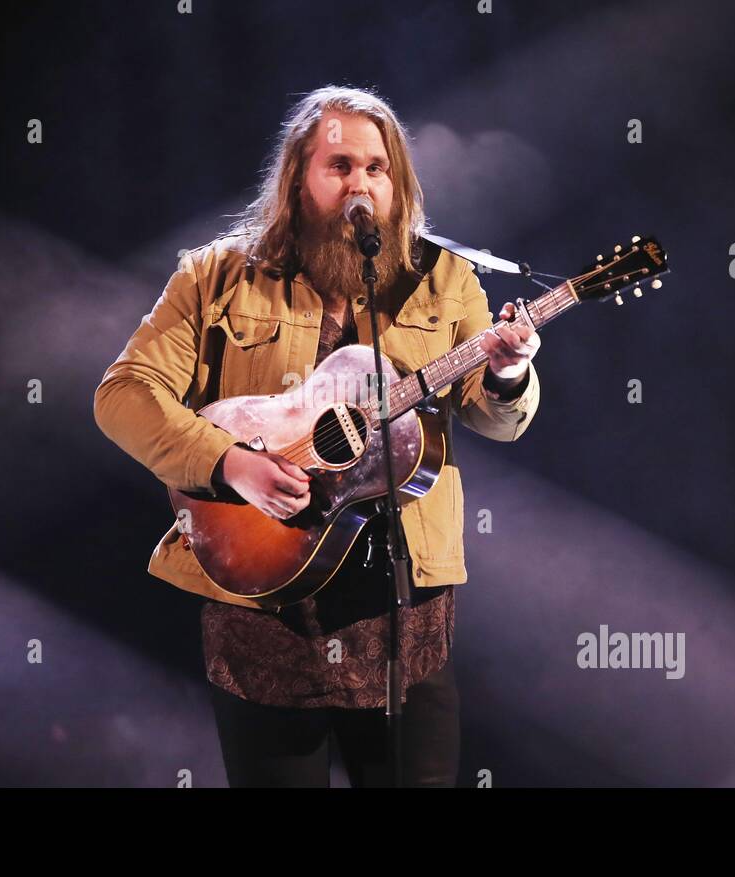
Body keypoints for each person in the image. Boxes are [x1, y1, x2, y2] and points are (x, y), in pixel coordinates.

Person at [93, 85, 541, 787]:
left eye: (376, 167)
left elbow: (490, 409)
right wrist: (230, 462)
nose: (359, 183)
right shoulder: (216, 276)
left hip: (404, 619)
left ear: (397, 183)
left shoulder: (445, 280)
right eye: (339, 165)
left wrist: (510, 371)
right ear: (298, 177)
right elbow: (123, 395)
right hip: (265, 614)